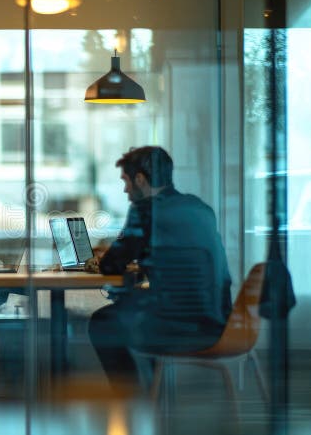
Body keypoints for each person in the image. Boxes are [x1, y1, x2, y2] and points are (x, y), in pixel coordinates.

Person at [86, 146, 233, 390]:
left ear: (140, 179)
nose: (125, 189)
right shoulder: (200, 208)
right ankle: (154, 392)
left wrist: (108, 257)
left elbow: (112, 264)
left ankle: (130, 401)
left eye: (126, 181)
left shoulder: (146, 211)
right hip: (217, 320)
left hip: (178, 324)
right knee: (135, 306)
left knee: (103, 322)